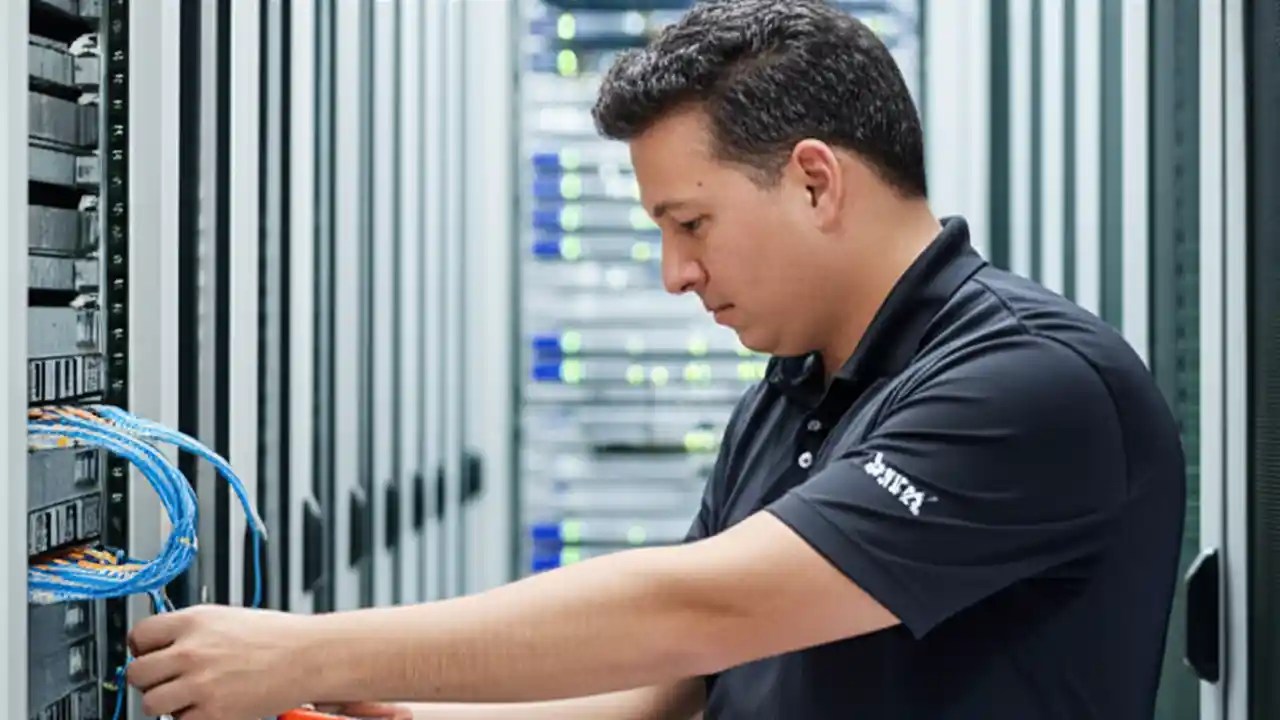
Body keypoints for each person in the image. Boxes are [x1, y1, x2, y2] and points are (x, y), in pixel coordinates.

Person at [124, 1, 1187, 718]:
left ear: (814, 182)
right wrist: (418, 712)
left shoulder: (1031, 386)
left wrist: (312, 650)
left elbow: (692, 608)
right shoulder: (795, 392)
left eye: (690, 223)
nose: (675, 274)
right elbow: (680, 678)